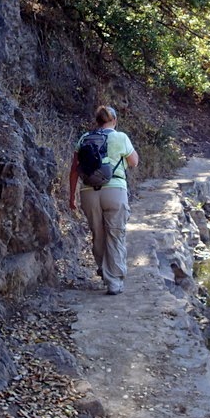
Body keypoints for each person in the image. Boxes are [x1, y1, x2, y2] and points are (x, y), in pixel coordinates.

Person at [69, 105, 140, 295]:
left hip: (88, 193)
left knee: (98, 235)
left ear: (97, 121)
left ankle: (103, 271)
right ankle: (114, 281)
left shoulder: (84, 138)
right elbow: (134, 161)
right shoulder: (120, 137)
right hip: (115, 191)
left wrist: (71, 196)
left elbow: (74, 169)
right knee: (115, 235)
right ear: (114, 120)